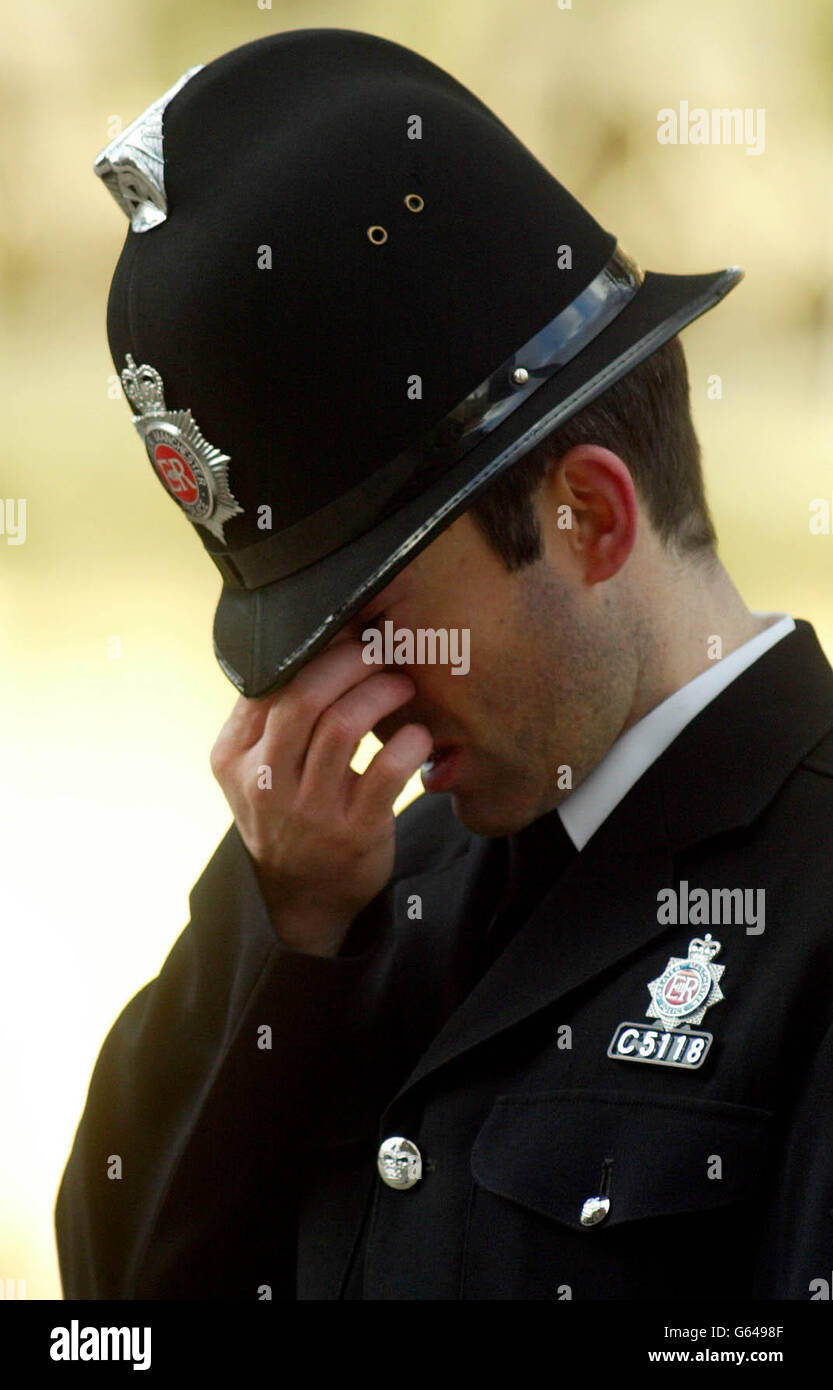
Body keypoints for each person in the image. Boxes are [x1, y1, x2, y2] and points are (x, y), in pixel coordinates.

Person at [55, 28, 833, 1300]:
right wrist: (281, 942)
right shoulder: (367, 896)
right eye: (299, 646)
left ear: (587, 514)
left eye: (367, 614)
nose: (324, 699)